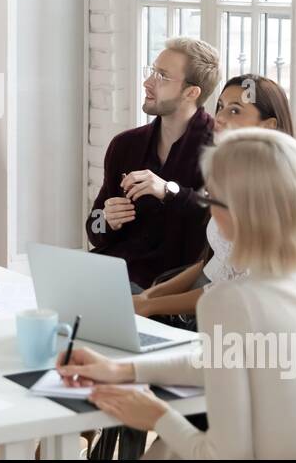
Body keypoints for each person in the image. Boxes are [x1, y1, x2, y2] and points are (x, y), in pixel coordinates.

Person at [60, 129, 296, 459]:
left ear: (238, 213)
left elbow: (220, 455)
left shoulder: (232, 302)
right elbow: (229, 361)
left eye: (210, 198)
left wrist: (155, 415)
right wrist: (125, 371)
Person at [132, 74, 294, 324]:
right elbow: (214, 261)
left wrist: (151, 305)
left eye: (235, 110)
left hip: (241, 323)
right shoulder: (232, 173)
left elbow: (231, 289)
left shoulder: (268, 192)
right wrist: (152, 295)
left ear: (268, 126)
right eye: (220, 107)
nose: (219, 117)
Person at [85, 37, 220, 289]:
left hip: (172, 287)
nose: (147, 83)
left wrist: (169, 191)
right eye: (152, 71)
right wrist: (106, 219)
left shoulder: (221, 151)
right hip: (116, 273)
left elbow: (218, 223)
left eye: (162, 77)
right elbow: (94, 229)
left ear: (192, 92)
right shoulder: (125, 145)